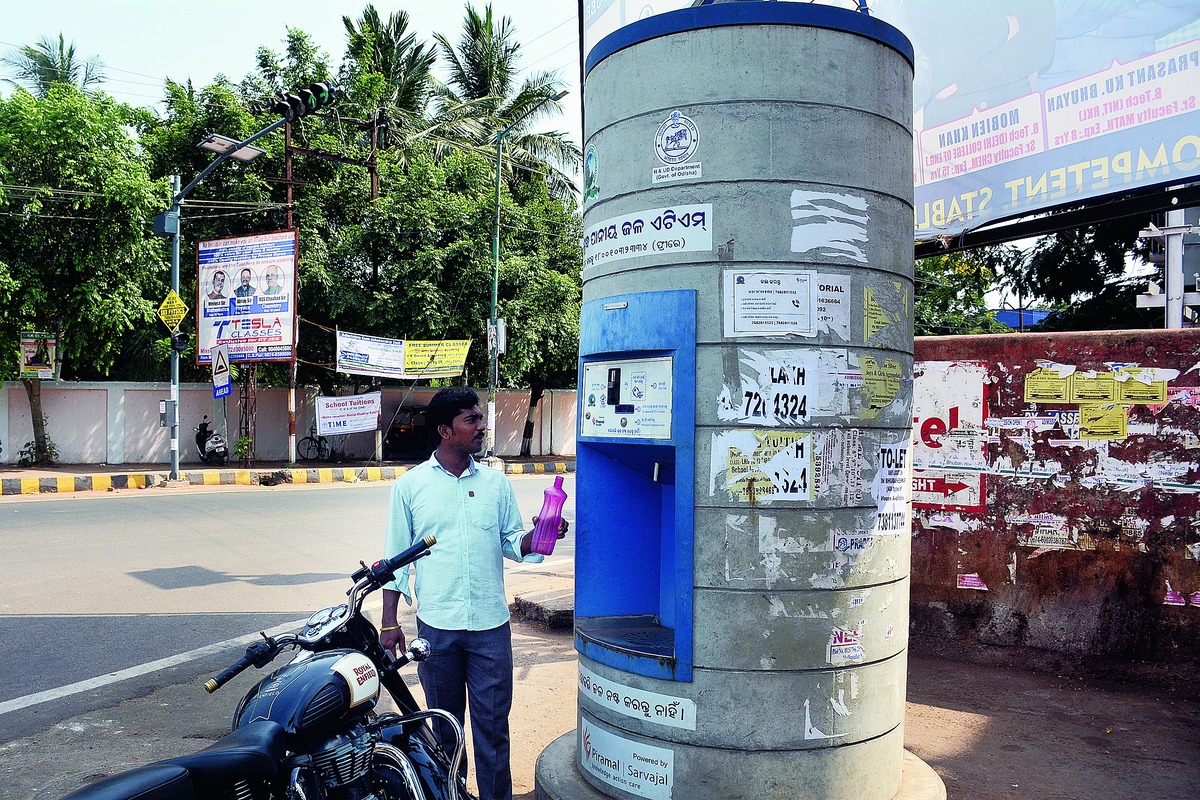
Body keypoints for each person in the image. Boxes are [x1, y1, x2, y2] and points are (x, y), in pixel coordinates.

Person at [379, 386, 566, 800]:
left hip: (490, 629)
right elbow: (395, 559)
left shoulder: (496, 483)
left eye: (480, 418)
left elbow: (513, 541)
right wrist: (389, 622)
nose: (482, 427)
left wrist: (541, 534)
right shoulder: (410, 487)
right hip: (437, 629)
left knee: (493, 730)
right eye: (472, 420)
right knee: (446, 732)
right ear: (445, 430)